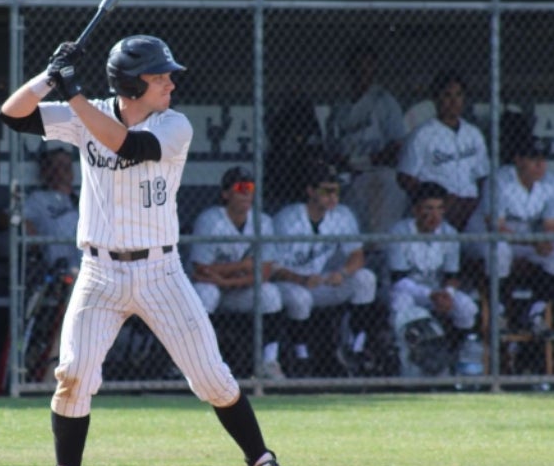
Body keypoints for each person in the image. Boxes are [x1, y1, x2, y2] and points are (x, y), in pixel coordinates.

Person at [0, 34, 299, 466]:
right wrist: (49, 77)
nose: (169, 83)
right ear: (130, 85)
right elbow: (12, 115)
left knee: (213, 379)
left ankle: (264, 463)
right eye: (158, 77)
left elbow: (127, 144)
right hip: (99, 272)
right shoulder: (84, 112)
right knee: (73, 374)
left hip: (161, 271)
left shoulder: (174, 125)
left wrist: (72, 92)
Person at [272, 160, 379, 374]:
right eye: (327, 191)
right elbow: (272, 268)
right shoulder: (287, 219)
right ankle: (301, 357)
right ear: (310, 191)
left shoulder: (342, 215)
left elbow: (357, 255)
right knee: (300, 298)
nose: (333, 197)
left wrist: (343, 273)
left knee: (365, 278)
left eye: (336, 191)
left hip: (322, 282)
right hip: (290, 284)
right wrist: (300, 280)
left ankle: (356, 348)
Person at [190, 166, 285, 380]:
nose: (246, 193)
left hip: (238, 289)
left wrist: (227, 280)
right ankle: (197, 363)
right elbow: (200, 269)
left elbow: (265, 272)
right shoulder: (211, 220)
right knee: (206, 293)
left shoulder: (263, 221)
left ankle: (269, 362)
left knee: (270, 294)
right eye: (240, 187)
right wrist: (243, 266)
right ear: (226, 193)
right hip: (212, 287)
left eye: (250, 188)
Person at [386, 182, 479, 374]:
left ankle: (454, 356)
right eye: (428, 208)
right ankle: (407, 366)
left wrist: (448, 293)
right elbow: (399, 278)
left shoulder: (449, 233)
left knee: (467, 307)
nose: (434, 215)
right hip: (406, 290)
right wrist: (431, 294)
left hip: (438, 293)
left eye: (439, 209)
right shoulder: (400, 231)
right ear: (415, 210)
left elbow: (452, 275)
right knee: (401, 303)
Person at [465, 134, 554, 333]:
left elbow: (550, 225)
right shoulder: (500, 180)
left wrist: (546, 242)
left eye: (543, 159)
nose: (540, 164)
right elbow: (496, 227)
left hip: (525, 241)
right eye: (533, 159)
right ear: (518, 159)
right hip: (484, 239)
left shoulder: (550, 182)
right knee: (500, 250)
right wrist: (534, 243)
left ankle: (535, 312)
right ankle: (499, 312)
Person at [325, 43, 408, 239]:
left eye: (367, 65)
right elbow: (332, 150)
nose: (362, 70)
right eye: (357, 65)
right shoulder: (340, 107)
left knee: (379, 237)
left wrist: (362, 162)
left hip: (379, 177)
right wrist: (344, 164)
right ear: (349, 68)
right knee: (352, 235)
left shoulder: (385, 101)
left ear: (374, 68)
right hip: (349, 179)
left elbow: (397, 147)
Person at [397, 71, 489, 232]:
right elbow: (404, 177)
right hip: (440, 211)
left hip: (472, 207)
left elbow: (483, 176)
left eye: (459, 95)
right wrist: (434, 200)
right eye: (447, 95)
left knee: (490, 248)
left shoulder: (473, 133)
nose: (454, 102)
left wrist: (480, 203)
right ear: (435, 98)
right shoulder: (422, 135)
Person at [24, 147, 82, 274]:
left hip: (88, 264)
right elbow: (1, 218)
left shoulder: (84, 196)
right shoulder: (38, 199)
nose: (63, 170)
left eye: (67, 166)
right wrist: (24, 224)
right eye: (58, 165)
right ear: (46, 171)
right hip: (60, 268)